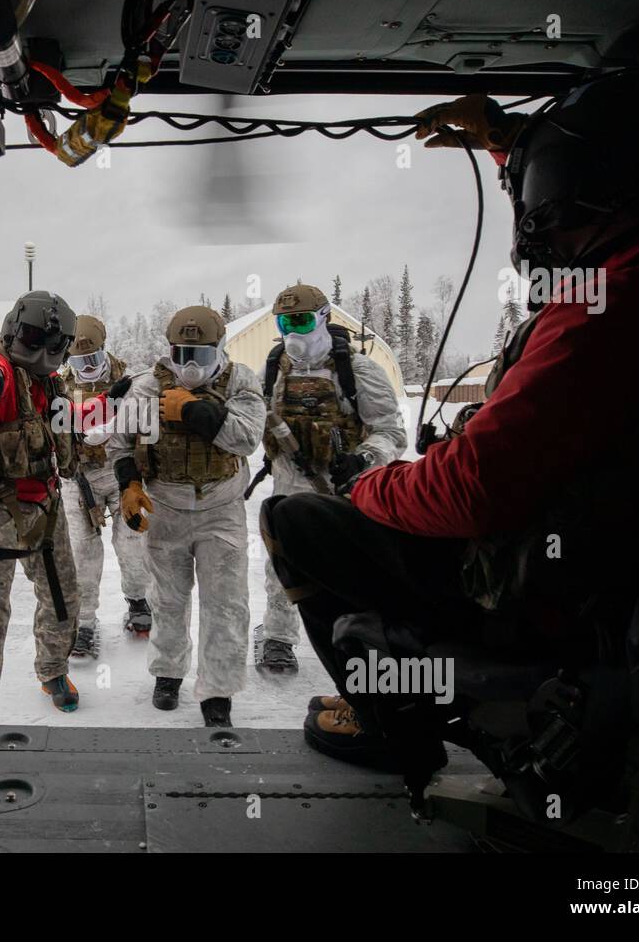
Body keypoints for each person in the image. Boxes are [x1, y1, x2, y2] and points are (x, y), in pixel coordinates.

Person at [259, 73, 639, 777]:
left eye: (545, 202)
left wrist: (372, 488)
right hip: (576, 556)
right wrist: (510, 147)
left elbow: (474, 488)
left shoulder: (612, 306)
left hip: (531, 580)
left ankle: (391, 722)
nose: (535, 224)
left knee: (291, 522)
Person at [109, 305, 266, 727]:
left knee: (227, 604)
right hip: (167, 509)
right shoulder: (146, 387)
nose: (190, 365)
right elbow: (120, 443)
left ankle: (217, 691)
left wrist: (194, 411)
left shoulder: (240, 381)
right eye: (182, 354)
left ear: (218, 348)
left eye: (200, 354)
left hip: (221, 510)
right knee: (168, 600)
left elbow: (247, 439)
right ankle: (167, 673)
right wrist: (129, 485)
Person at [253, 283, 406, 674]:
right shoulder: (272, 370)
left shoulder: (356, 371)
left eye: (301, 320)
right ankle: (278, 637)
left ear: (323, 318)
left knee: (352, 563)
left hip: (346, 487)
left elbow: (390, 431)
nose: (293, 331)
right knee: (282, 565)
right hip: (289, 482)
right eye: (284, 322)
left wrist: (364, 459)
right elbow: (251, 422)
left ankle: (360, 639)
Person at [0, 290, 83, 725]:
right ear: (12, 330)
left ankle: (52, 670)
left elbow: (67, 425)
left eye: (52, 344)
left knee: (62, 595)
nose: (40, 351)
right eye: (30, 337)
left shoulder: (52, 383)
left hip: (42, 500)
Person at [60, 315, 151, 657]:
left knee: (133, 543)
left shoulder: (130, 381)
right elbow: (59, 426)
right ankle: (83, 623)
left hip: (121, 473)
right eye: (79, 362)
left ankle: (139, 601)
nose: (87, 368)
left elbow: (149, 427)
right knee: (82, 553)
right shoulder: (59, 386)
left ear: (104, 350)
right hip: (78, 477)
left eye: (93, 359)